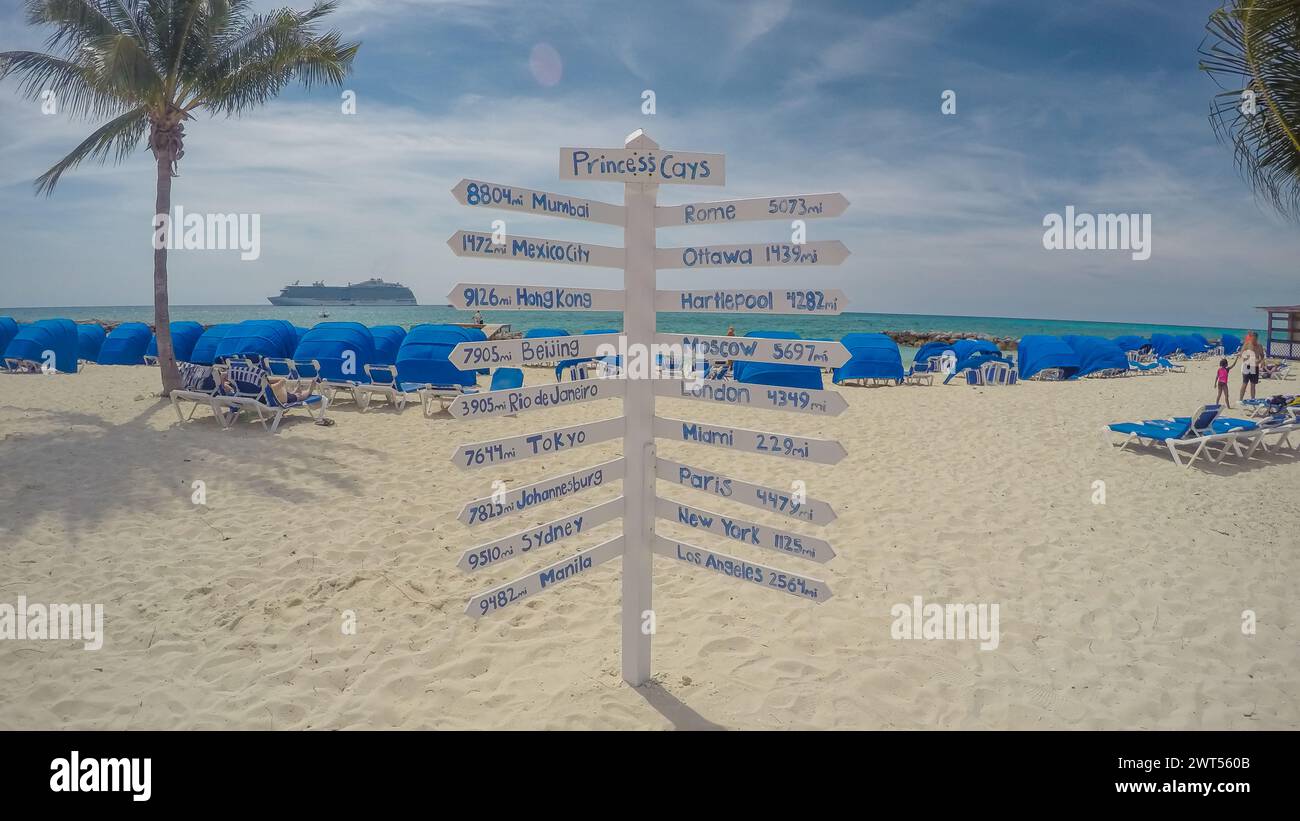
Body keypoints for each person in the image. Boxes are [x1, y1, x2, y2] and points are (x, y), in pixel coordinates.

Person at [1233, 332, 1265, 402]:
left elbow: (1262, 356)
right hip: (1247, 366)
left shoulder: (1259, 346)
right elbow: (1241, 354)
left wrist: (1262, 361)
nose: (1254, 340)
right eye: (1253, 338)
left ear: (1257, 338)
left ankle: (1252, 399)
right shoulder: (1247, 344)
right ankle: (1240, 399)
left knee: (1253, 385)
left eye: (1255, 339)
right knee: (1245, 383)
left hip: (1255, 367)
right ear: (1251, 338)